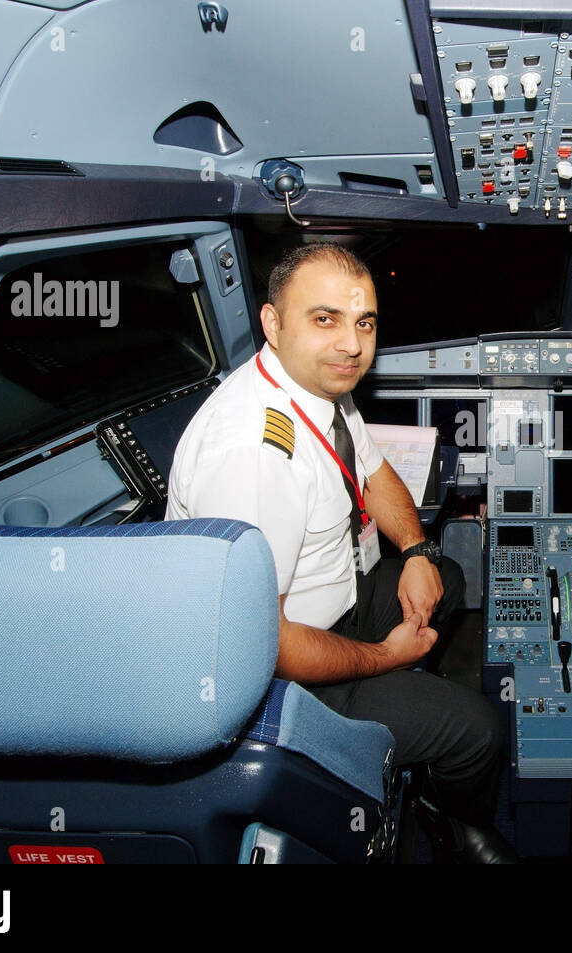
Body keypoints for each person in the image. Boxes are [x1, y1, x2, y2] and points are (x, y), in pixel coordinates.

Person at [167, 242, 513, 862]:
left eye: (365, 323)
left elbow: (374, 474)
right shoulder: (254, 454)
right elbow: (268, 644)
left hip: (338, 604)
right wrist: (385, 657)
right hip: (286, 677)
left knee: (449, 576)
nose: (352, 345)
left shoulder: (319, 388)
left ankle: (406, 699)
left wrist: (416, 551)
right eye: (324, 319)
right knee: (479, 730)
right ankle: (458, 824)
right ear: (273, 323)